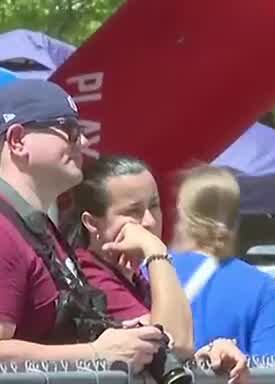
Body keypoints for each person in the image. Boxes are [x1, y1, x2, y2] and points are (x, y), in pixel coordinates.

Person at [0, 80, 164, 367]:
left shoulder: (34, 229)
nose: (84, 143)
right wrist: (97, 354)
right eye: (70, 131)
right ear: (18, 140)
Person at [67, 155, 249, 382]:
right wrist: (155, 250)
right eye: (133, 211)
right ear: (92, 223)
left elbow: (171, 354)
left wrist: (209, 353)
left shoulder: (134, 277)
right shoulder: (88, 273)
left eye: (154, 206)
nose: (150, 221)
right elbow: (178, 343)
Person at [169, 165, 275, 357]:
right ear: (235, 220)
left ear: (181, 213)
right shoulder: (263, 287)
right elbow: (270, 370)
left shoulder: (149, 272)